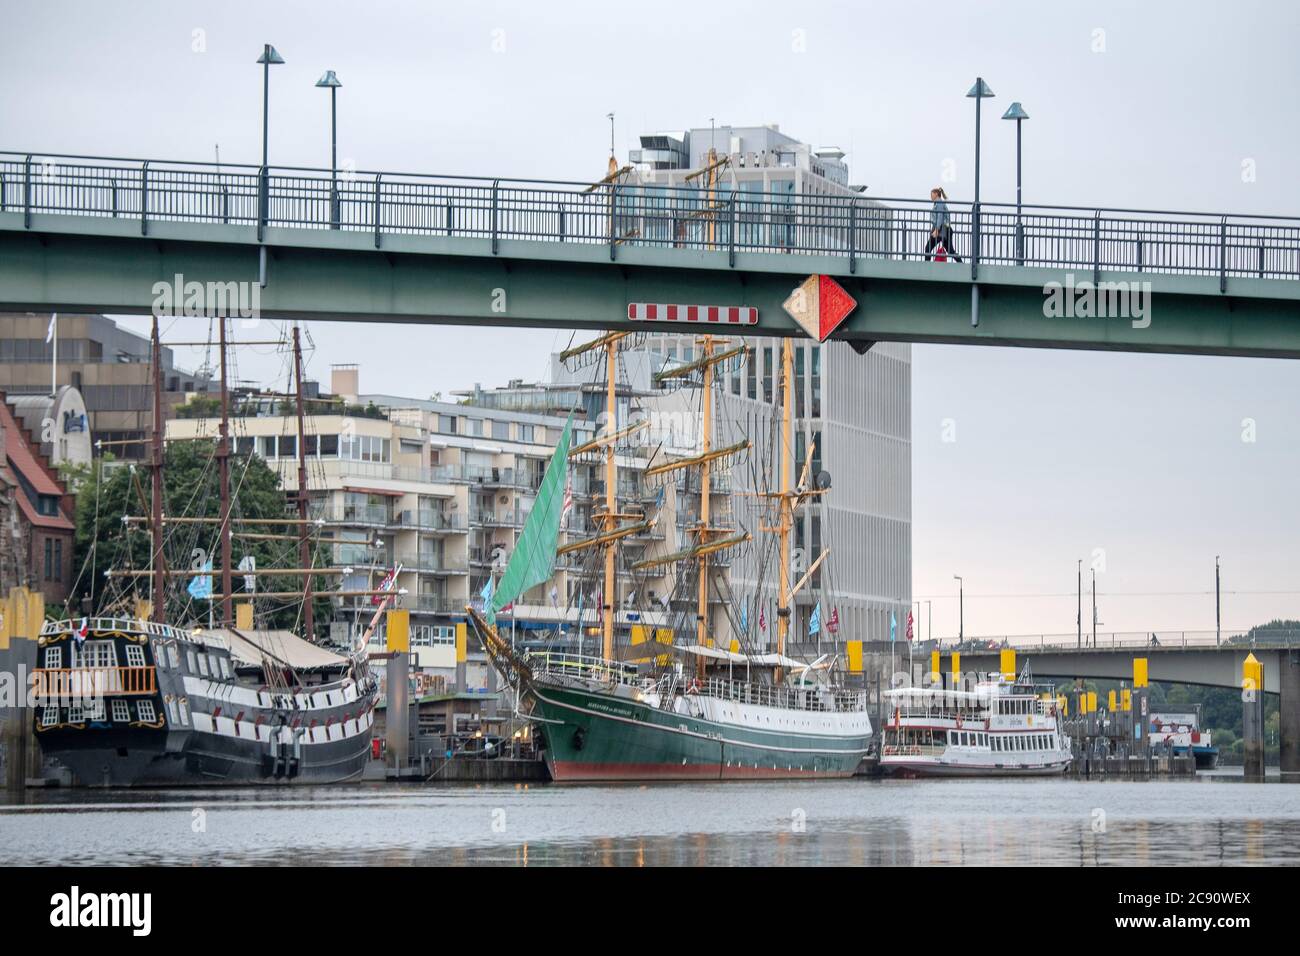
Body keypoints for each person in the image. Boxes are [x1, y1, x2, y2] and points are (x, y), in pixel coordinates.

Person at [925, 187, 962, 262]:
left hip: (941, 229)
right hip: (946, 229)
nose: (930, 196)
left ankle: (927, 266)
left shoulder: (939, 203)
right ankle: (961, 264)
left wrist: (937, 230)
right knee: (950, 251)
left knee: (928, 248)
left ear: (936, 194)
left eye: (931, 194)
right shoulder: (939, 203)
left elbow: (940, 216)